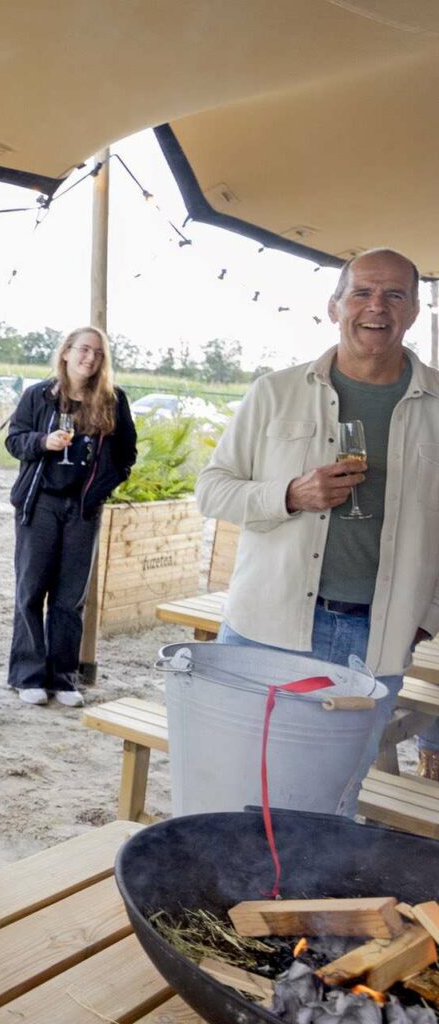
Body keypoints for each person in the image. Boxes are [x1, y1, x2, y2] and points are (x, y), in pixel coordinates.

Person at [196, 247, 439, 793]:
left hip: (375, 638)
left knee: (332, 799)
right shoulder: (275, 393)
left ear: (414, 311)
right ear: (335, 306)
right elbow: (212, 490)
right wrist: (289, 494)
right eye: (362, 292)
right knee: (237, 788)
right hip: (264, 629)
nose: (377, 306)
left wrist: (429, 613)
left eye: (395, 294)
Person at [4, 327, 137, 708]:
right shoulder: (39, 395)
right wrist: (42, 443)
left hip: (82, 509)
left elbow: (127, 454)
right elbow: (14, 441)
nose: (90, 358)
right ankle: (27, 676)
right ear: (65, 353)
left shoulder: (113, 400)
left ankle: (62, 678)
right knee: (31, 591)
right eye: (83, 349)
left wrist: (99, 491)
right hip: (40, 502)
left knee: (69, 597)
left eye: (98, 352)